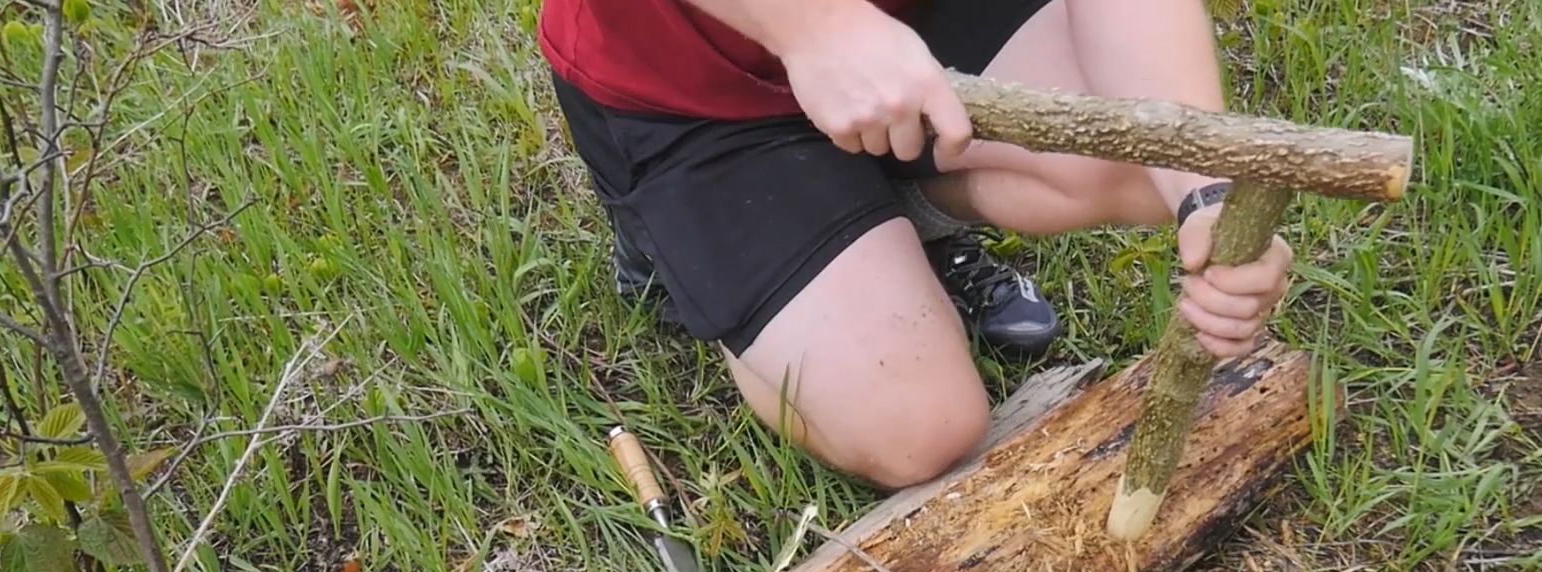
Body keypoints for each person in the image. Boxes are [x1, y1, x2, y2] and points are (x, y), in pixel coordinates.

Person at [539, 0, 1295, 489]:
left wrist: (1208, 194)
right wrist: (818, 28)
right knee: (916, 431)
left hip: (912, 22)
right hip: (694, 84)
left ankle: (888, 212)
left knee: (1128, 169)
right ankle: (668, 249)